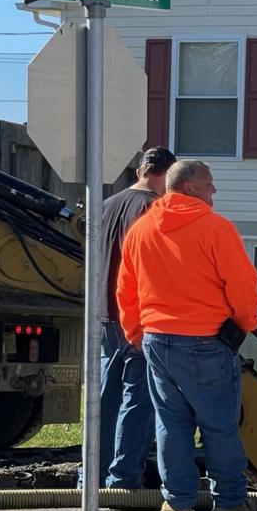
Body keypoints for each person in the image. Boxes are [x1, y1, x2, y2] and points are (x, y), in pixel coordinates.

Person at [116, 160, 257, 511]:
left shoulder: (141, 229)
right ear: (192, 187)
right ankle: (230, 500)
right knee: (219, 424)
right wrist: (246, 322)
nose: (214, 191)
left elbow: (126, 289)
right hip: (205, 341)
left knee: (171, 422)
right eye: (210, 184)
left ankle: (178, 500)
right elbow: (242, 286)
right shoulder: (216, 228)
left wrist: (135, 332)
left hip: (156, 340)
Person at [82, 146, 176, 491]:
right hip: (138, 315)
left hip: (103, 314)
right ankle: (123, 477)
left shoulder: (106, 206)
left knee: (103, 398)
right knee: (139, 397)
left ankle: (90, 475)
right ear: (163, 174)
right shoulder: (154, 208)